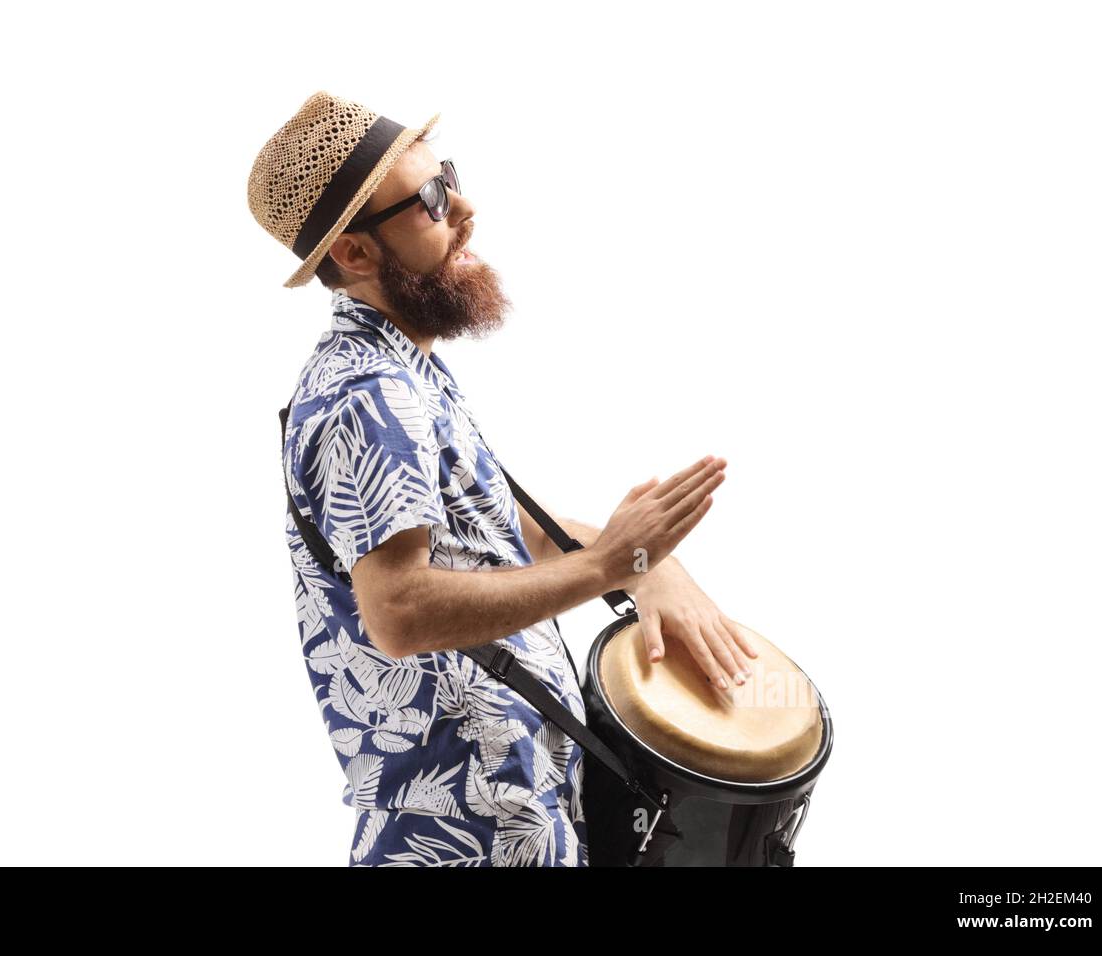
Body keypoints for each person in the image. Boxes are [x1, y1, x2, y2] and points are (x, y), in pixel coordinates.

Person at [247, 91, 756, 867]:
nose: (466, 208)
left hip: (513, 815)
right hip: (468, 834)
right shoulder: (365, 393)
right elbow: (399, 609)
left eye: (446, 176)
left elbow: (506, 537)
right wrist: (607, 566)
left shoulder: (405, 373)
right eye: (430, 199)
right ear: (354, 254)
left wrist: (650, 564)